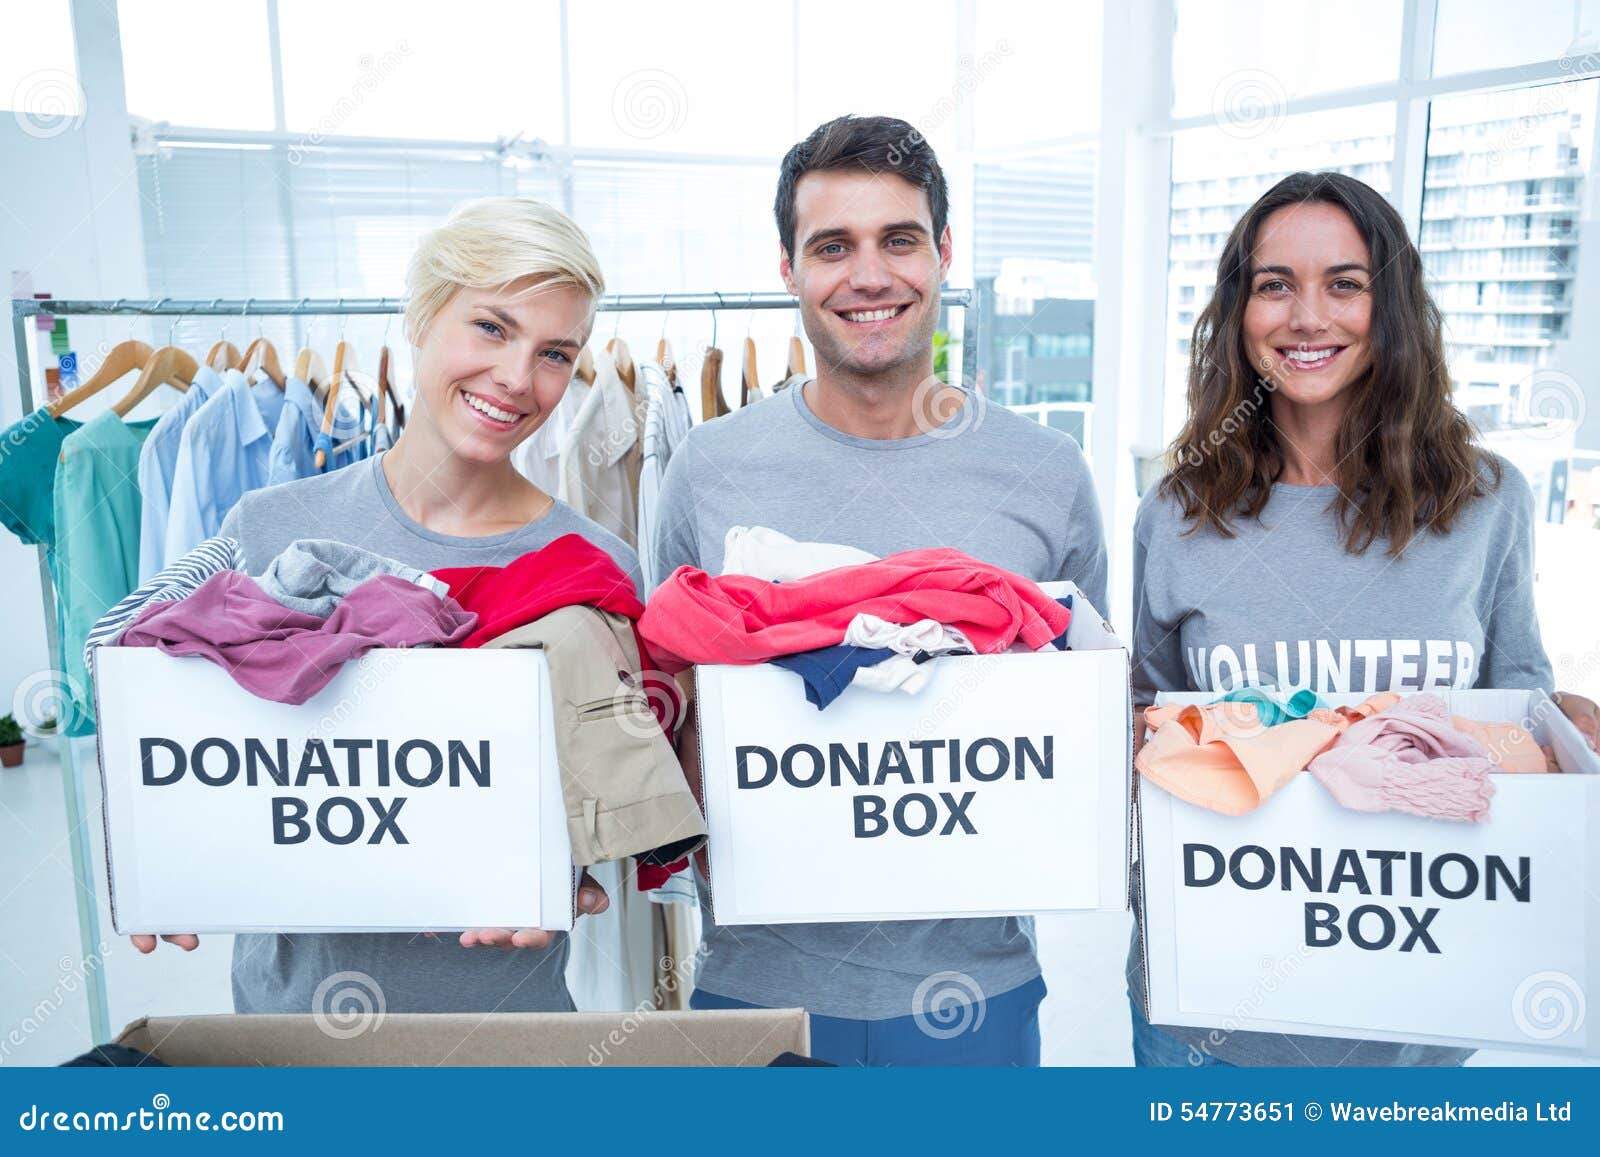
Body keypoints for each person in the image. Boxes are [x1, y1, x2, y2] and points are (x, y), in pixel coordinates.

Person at [652, 115, 1109, 1067]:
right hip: (754, 990)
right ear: (788, 268)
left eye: (898, 240)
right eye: (832, 246)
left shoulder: (1047, 470)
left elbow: (1085, 714)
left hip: (974, 990)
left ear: (942, 253)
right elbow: (673, 705)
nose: (869, 276)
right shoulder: (707, 468)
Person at [1127, 170, 1600, 1067]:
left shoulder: (1488, 499)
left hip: (1419, 1017)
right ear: (1238, 313)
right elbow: (1145, 729)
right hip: (1211, 1015)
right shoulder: (1177, 513)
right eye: (1276, 286)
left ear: (1392, 309)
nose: (1309, 318)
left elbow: (1513, 714)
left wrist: (1564, 722)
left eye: (1345, 284)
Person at [130, 195, 642, 1016]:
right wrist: (158, 835)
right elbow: (156, 700)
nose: (517, 378)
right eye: (491, 327)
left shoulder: (599, 568)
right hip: (289, 1040)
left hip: (510, 1041)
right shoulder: (269, 528)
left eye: (555, 353)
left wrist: (574, 865)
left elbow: (603, 790)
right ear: (422, 316)